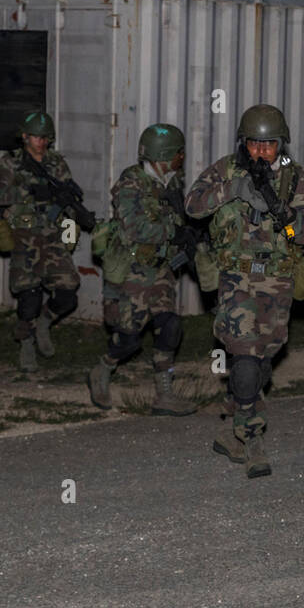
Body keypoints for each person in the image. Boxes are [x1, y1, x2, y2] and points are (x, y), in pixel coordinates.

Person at [184, 105, 304, 478]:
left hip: (277, 279)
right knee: (244, 356)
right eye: (255, 143)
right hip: (236, 279)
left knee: (263, 359)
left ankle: (233, 426)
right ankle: (251, 437)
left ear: (281, 144)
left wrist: (289, 218)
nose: (262, 151)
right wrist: (233, 190)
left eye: (269, 144)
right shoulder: (226, 170)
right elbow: (193, 206)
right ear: (244, 143)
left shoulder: (294, 179)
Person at [87, 123, 197, 416]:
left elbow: (176, 220)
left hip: (160, 270)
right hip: (132, 271)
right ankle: (103, 369)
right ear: (165, 156)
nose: (182, 159)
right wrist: (173, 232)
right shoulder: (130, 184)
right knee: (128, 339)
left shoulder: (170, 183)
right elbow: (135, 228)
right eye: (179, 154)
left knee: (170, 326)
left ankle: (164, 394)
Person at [0, 111, 85, 372]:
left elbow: (67, 190)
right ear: (24, 136)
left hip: (51, 236)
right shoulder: (11, 163)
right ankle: (27, 344)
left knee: (68, 291)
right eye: (35, 137)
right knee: (28, 294)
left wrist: (70, 204)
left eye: (45, 138)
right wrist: (27, 191)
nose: (40, 142)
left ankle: (44, 322)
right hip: (23, 235)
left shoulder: (56, 163)